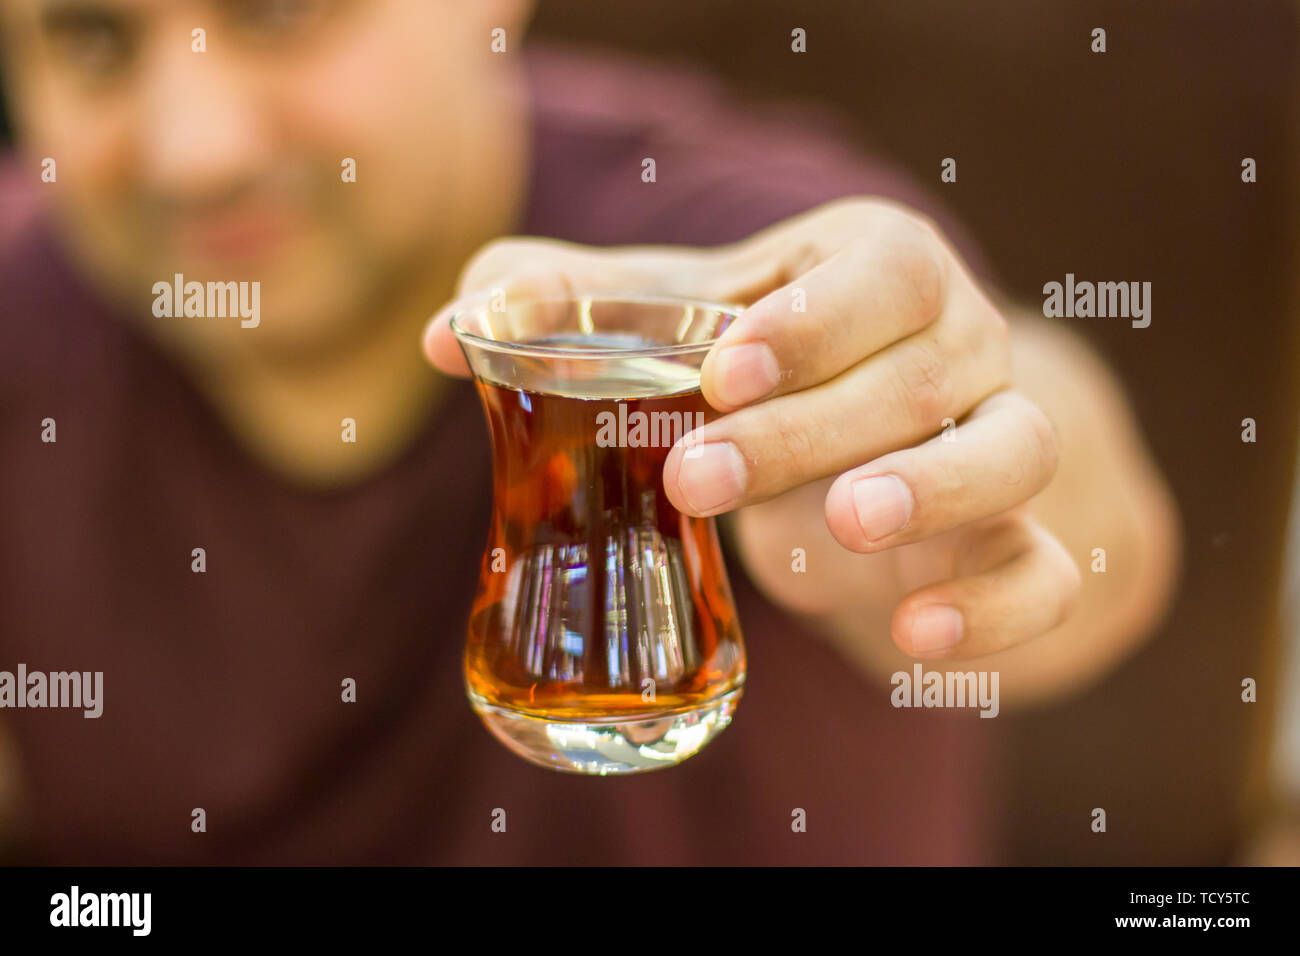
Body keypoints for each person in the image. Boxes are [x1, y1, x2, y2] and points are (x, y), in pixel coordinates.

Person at [0, 0, 1179, 864]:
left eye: (276, 13)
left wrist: (954, 500)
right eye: (91, 40)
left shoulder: (721, 236)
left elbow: (1081, 504)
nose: (197, 148)